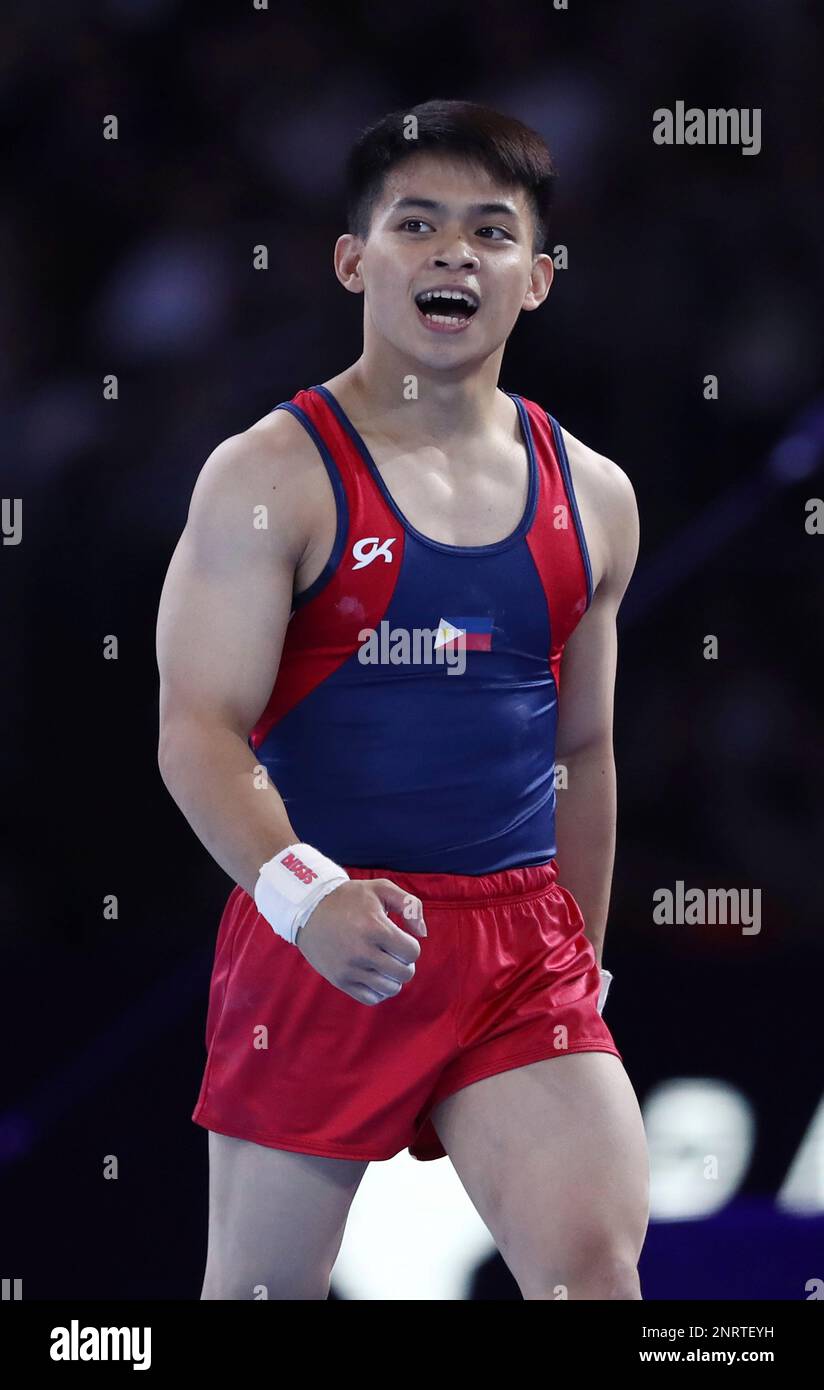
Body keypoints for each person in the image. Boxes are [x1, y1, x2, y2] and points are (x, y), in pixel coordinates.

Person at [156, 98, 650, 1301]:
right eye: (416, 223)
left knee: (594, 1274)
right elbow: (196, 730)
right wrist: (304, 895)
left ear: (533, 279)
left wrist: (578, 956)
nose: (451, 253)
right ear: (352, 260)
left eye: (488, 233)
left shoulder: (591, 493)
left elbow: (581, 745)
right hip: (317, 937)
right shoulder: (270, 474)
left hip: (517, 943)